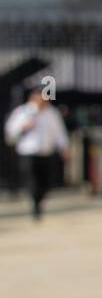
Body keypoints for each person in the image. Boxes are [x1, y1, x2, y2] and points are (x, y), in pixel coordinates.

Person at [3, 88, 70, 220]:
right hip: (28, 152)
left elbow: (59, 134)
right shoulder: (23, 112)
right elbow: (10, 132)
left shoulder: (52, 113)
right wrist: (23, 127)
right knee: (32, 180)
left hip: (46, 152)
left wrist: (64, 148)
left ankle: (39, 200)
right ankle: (35, 205)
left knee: (46, 181)